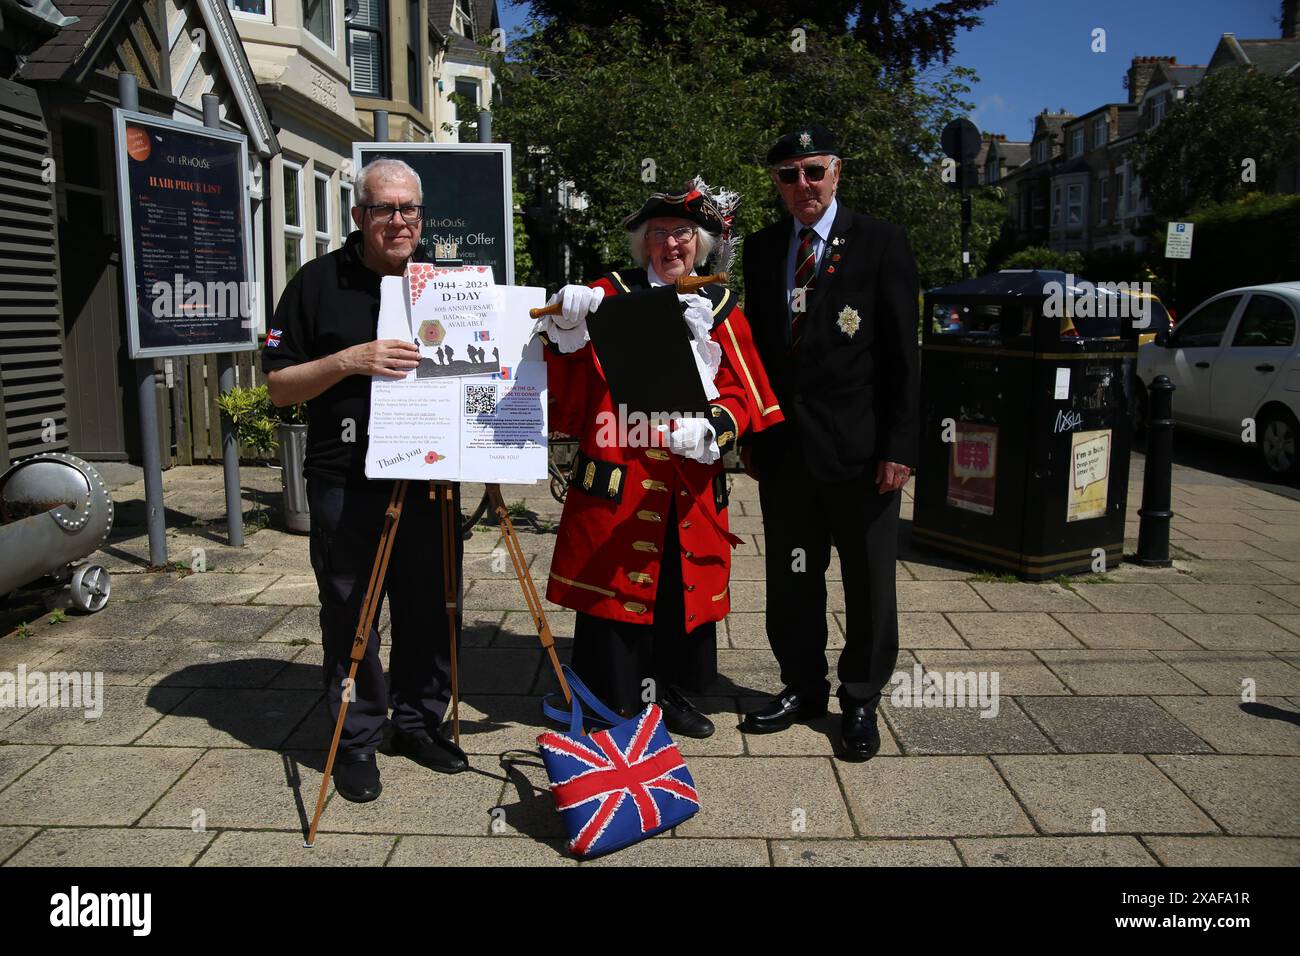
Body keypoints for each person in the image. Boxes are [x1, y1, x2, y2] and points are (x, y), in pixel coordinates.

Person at [536, 181, 783, 738]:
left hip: (687, 475)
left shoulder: (718, 306)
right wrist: (566, 328)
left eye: (682, 235)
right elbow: (565, 391)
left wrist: (715, 427)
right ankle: (610, 700)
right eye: (658, 235)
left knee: (675, 588)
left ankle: (667, 694)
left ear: (700, 244)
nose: (671, 245)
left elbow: (744, 393)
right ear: (643, 244)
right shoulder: (606, 293)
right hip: (620, 469)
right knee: (614, 594)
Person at [262, 158, 468, 804]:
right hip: (345, 478)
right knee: (351, 613)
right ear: (359, 216)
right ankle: (355, 740)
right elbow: (276, 387)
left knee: (431, 608)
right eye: (385, 209)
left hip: (431, 476)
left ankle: (417, 723)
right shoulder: (316, 283)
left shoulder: (446, 286)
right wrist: (349, 361)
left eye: (411, 209)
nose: (400, 221)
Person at [738, 125, 920, 761]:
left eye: (813, 171)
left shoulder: (880, 242)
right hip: (786, 451)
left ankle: (861, 696)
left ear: (836, 172)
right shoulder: (761, 250)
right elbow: (753, 354)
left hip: (863, 454)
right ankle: (802, 687)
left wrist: (900, 445)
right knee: (792, 579)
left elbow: (903, 354)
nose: (802, 185)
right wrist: (750, 437)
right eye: (788, 175)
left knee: (868, 582)